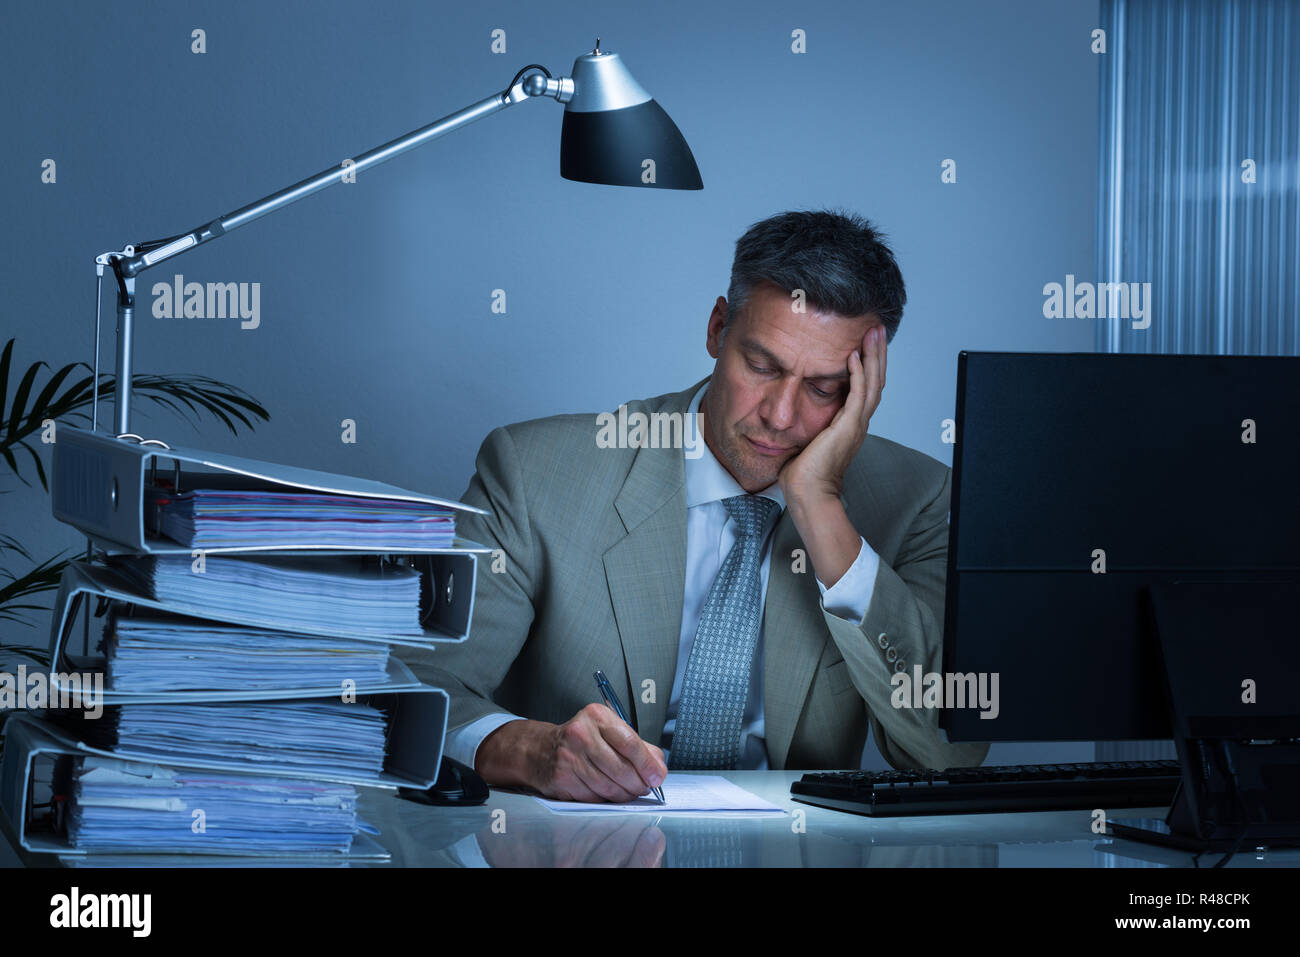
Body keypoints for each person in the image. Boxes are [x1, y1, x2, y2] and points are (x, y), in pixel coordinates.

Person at [407, 209, 989, 802]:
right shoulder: (535, 472)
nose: (780, 416)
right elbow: (416, 684)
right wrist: (532, 750)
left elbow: (949, 751)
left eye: (823, 390)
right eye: (762, 366)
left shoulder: (915, 500)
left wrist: (819, 505)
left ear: (866, 389)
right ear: (717, 329)